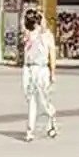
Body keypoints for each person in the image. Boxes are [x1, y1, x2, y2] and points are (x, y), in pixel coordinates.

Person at [22, 8, 58, 142]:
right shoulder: (28, 34)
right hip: (28, 69)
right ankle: (30, 130)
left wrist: (53, 72)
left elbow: (52, 54)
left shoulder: (47, 35)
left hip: (42, 69)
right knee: (31, 99)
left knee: (44, 100)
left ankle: (51, 122)